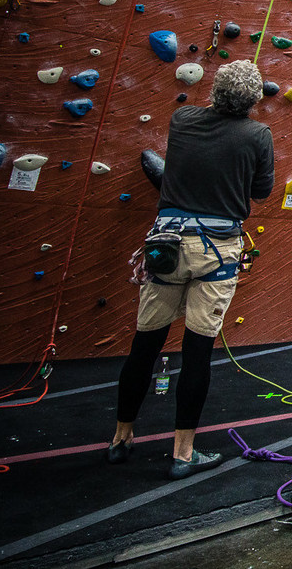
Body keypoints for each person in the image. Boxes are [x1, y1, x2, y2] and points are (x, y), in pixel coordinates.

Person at [107, 60, 275, 479]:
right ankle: (183, 453)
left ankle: (120, 439)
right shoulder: (258, 134)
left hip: (167, 245)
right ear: (253, 100)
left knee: (145, 345)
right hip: (216, 250)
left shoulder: (182, 119)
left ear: (215, 90)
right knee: (197, 351)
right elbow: (261, 191)